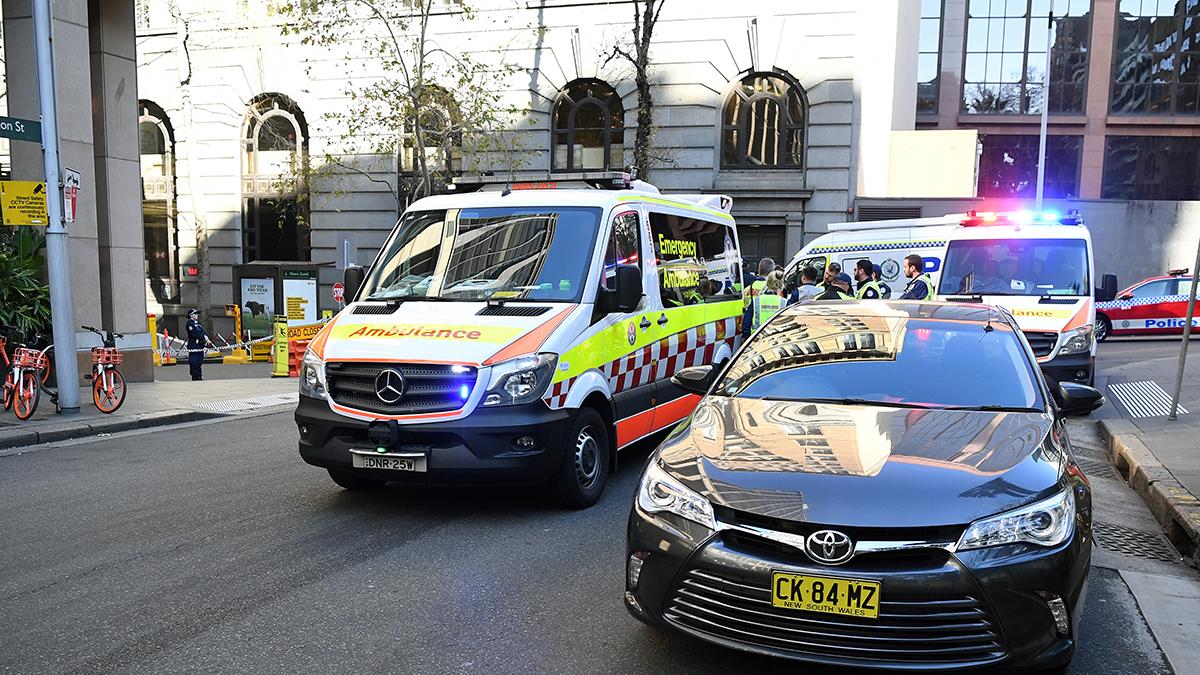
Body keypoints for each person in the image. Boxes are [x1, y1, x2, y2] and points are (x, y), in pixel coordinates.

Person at [742, 258, 775, 338]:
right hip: (771, 333)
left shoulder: (746, 290)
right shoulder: (774, 290)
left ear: (759, 270)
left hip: (752, 334)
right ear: (772, 273)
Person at [185, 308, 214, 381]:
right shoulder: (189, 324)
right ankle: (195, 376)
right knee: (194, 361)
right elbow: (195, 334)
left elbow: (202, 332)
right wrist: (203, 337)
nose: (197, 315)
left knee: (199, 361)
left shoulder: (198, 323)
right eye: (195, 314)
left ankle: (199, 376)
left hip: (200, 344)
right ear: (191, 315)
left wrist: (206, 338)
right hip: (194, 344)